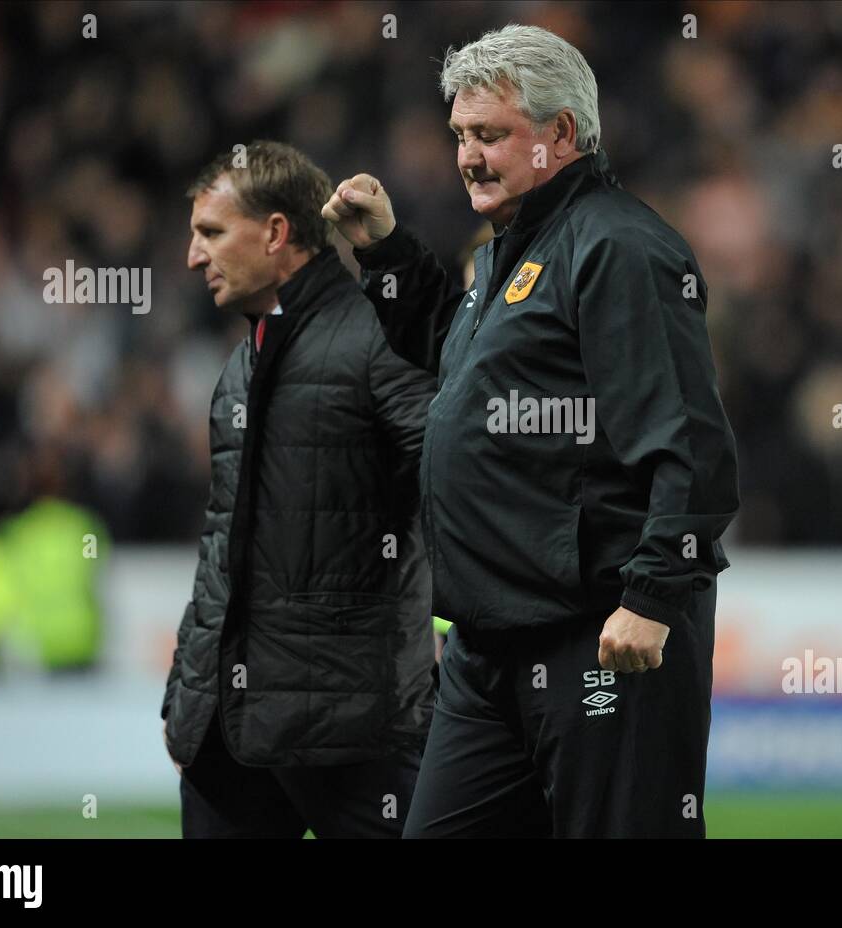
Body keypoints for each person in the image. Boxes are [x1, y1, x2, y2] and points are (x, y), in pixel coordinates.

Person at [321, 25, 739, 837]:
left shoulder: (619, 247)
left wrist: (652, 597)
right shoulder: (514, 250)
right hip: (491, 646)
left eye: (490, 135)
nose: (468, 157)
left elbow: (692, 443)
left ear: (562, 135)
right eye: (460, 137)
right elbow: (460, 361)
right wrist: (388, 257)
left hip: (602, 635)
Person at [163, 141, 437, 837]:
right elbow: (222, 545)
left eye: (212, 233)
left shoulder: (377, 337)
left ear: (277, 232)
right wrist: (190, 702)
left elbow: (453, 484)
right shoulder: (242, 363)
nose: (195, 257)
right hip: (231, 733)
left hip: (350, 733)